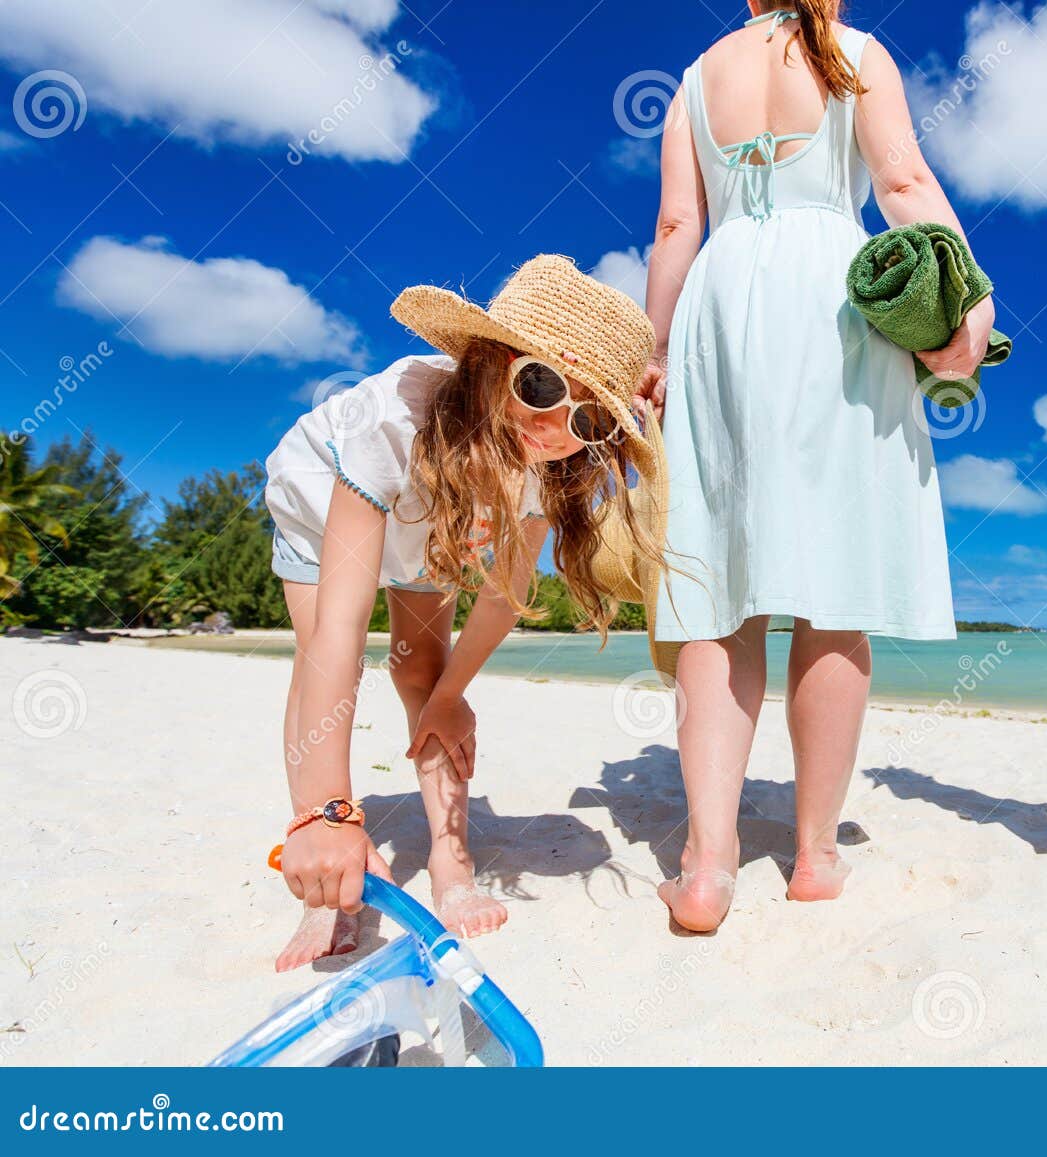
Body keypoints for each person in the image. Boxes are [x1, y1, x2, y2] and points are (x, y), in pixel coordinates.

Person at [637, 1, 994, 931]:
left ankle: (709, 866)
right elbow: (904, 181)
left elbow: (679, 224)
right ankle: (815, 854)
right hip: (831, 296)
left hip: (720, 298)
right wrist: (969, 298)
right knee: (833, 587)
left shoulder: (691, 77)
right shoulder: (855, 51)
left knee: (716, 584)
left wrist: (656, 344)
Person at [264, 256, 663, 968]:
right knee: (325, 662)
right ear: (488, 361)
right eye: (539, 383)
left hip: (438, 521)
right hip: (325, 500)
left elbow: (506, 593)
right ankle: (325, 865)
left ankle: (451, 861)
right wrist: (329, 814)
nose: (552, 426)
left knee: (425, 670)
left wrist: (450, 696)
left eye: (589, 415)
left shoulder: (550, 468)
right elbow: (340, 633)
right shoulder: (389, 421)